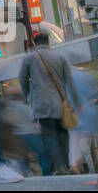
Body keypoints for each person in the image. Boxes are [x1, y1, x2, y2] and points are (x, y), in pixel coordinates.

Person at [18, 32, 80, 176]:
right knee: (63, 135)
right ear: (48, 42)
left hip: (42, 105)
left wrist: (27, 96)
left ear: (35, 43)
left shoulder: (29, 58)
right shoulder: (60, 57)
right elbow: (69, 81)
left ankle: (59, 167)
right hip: (61, 104)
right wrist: (76, 101)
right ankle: (66, 163)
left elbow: (22, 78)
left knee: (49, 135)